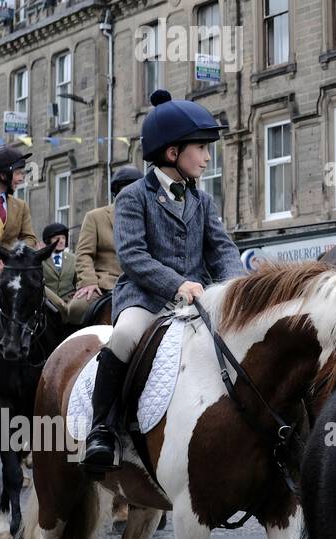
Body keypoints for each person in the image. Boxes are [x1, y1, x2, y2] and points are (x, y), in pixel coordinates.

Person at [80, 91, 243, 474]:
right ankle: (102, 428)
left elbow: (222, 249)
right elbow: (133, 256)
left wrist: (240, 288)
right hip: (146, 296)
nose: (206, 157)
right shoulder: (134, 197)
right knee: (123, 337)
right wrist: (176, 285)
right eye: (200, 148)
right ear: (173, 153)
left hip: (197, 297)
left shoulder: (202, 201)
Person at [67, 167, 144, 324]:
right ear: (116, 193)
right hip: (104, 285)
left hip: (140, 284)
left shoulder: (150, 219)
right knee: (76, 308)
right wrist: (89, 282)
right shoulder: (95, 217)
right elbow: (84, 254)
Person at [0, 146, 37, 283]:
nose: (21, 179)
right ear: (2, 175)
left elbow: (29, 238)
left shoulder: (21, 206)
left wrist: (15, 255)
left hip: (14, 276)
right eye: (18, 173)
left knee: (57, 304)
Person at [40, 222, 76, 319]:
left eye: (63, 238)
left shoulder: (73, 259)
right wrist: (58, 302)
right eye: (57, 239)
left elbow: (78, 282)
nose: (61, 241)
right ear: (48, 241)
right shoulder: (40, 260)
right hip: (47, 305)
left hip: (71, 305)